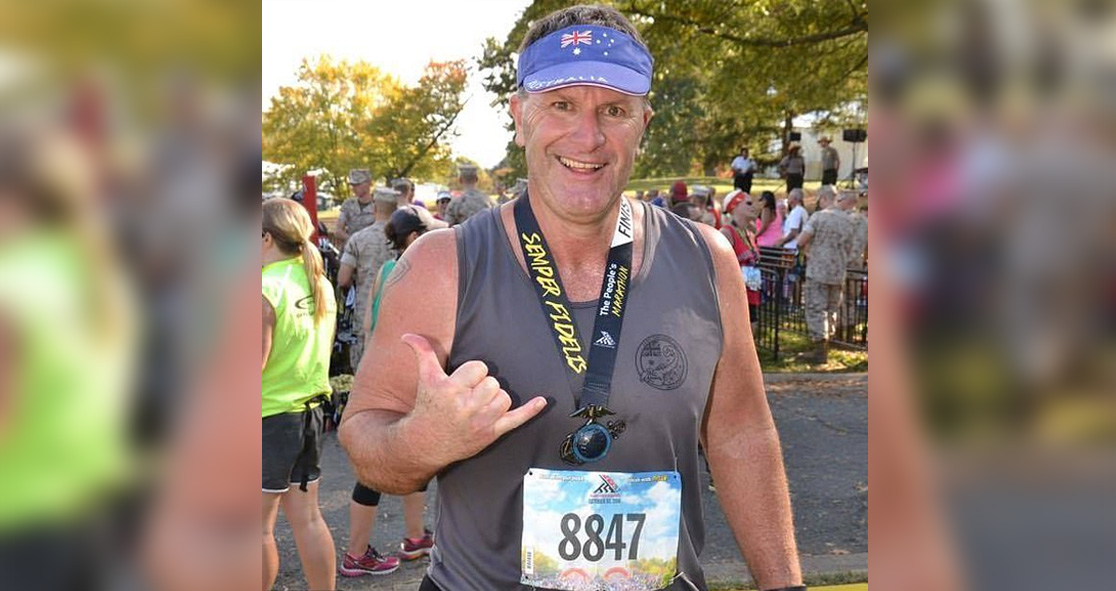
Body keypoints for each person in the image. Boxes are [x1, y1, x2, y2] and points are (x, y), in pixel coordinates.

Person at [339, 5, 804, 591]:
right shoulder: (441, 264)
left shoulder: (706, 259)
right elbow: (365, 438)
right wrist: (421, 442)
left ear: (643, 123)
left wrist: (785, 583)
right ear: (520, 118)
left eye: (614, 110)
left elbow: (741, 434)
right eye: (561, 105)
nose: (588, 136)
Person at [341, 208, 436, 578]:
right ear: (413, 237)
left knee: (412, 459)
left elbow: (369, 323)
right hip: (408, 377)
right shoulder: (424, 270)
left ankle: (415, 537)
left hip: (380, 373)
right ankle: (358, 553)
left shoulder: (384, 270)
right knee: (384, 465)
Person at [262, 198, 338, 591]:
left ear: (265, 238)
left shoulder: (264, 288)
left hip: (268, 417)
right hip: (309, 412)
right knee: (308, 519)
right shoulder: (318, 281)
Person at [337, 187, 398, 371]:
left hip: (366, 312)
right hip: (398, 312)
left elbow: (343, 279)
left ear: (374, 208)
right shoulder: (405, 238)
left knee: (364, 368)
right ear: (396, 210)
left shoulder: (358, 239)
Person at [796, 186, 855, 364]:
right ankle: (828, 342)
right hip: (838, 271)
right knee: (831, 308)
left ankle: (819, 349)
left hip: (818, 270)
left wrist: (807, 250)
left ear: (823, 198)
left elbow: (801, 240)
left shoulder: (819, 217)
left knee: (816, 308)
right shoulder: (849, 220)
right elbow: (851, 247)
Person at [720, 190, 762, 330]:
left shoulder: (749, 233)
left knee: (752, 328)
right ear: (734, 206)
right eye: (748, 203)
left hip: (752, 290)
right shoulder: (726, 233)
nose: (753, 207)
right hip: (735, 295)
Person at [334, 169, 377, 245]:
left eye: (358, 184)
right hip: (352, 247)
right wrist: (353, 241)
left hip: (373, 246)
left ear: (368, 184)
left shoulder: (379, 204)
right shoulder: (348, 204)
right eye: (353, 185)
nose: (354, 188)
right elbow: (338, 231)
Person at [837, 190, 867, 271]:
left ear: (845, 201)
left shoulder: (838, 218)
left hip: (838, 263)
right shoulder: (864, 221)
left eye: (839, 200)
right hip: (856, 264)